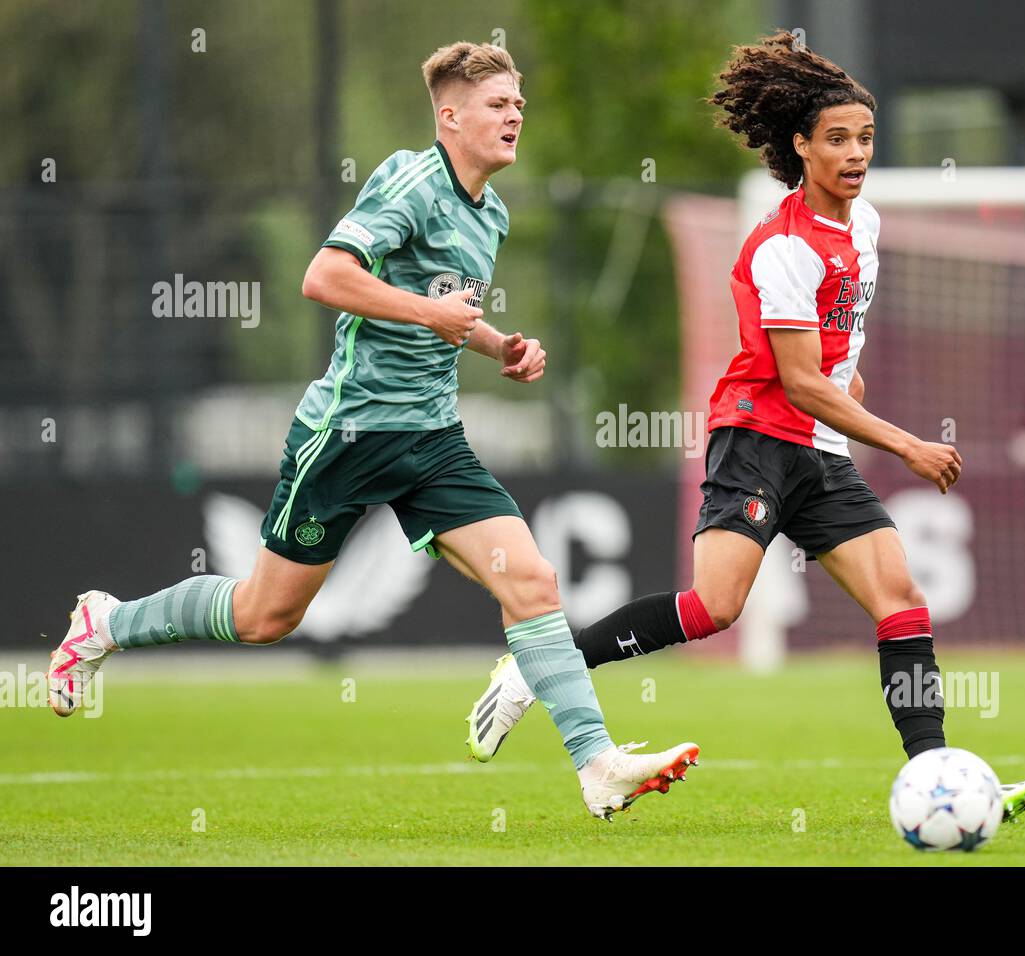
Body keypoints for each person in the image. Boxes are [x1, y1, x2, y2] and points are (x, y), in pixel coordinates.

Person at [47, 40, 698, 821]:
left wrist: (498, 345)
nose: (515, 114)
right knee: (264, 617)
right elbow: (323, 276)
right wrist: (433, 312)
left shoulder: (490, 212)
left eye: (519, 103)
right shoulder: (410, 177)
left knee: (532, 582)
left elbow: (438, 306)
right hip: (351, 435)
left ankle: (597, 766)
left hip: (431, 441)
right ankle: (107, 622)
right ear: (449, 115)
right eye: (498, 104)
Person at [464, 32, 1025, 821]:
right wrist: (904, 441)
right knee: (716, 607)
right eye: (837, 139)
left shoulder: (863, 226)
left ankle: (943, 779)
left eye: (865, 137)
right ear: (800, 146)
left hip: (819, 447)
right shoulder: (782, 249)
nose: (855, 152)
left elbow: (834, 360)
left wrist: (851, 384)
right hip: (760, 437)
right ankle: (538, 667)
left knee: (902, 598)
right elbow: (798, 381)